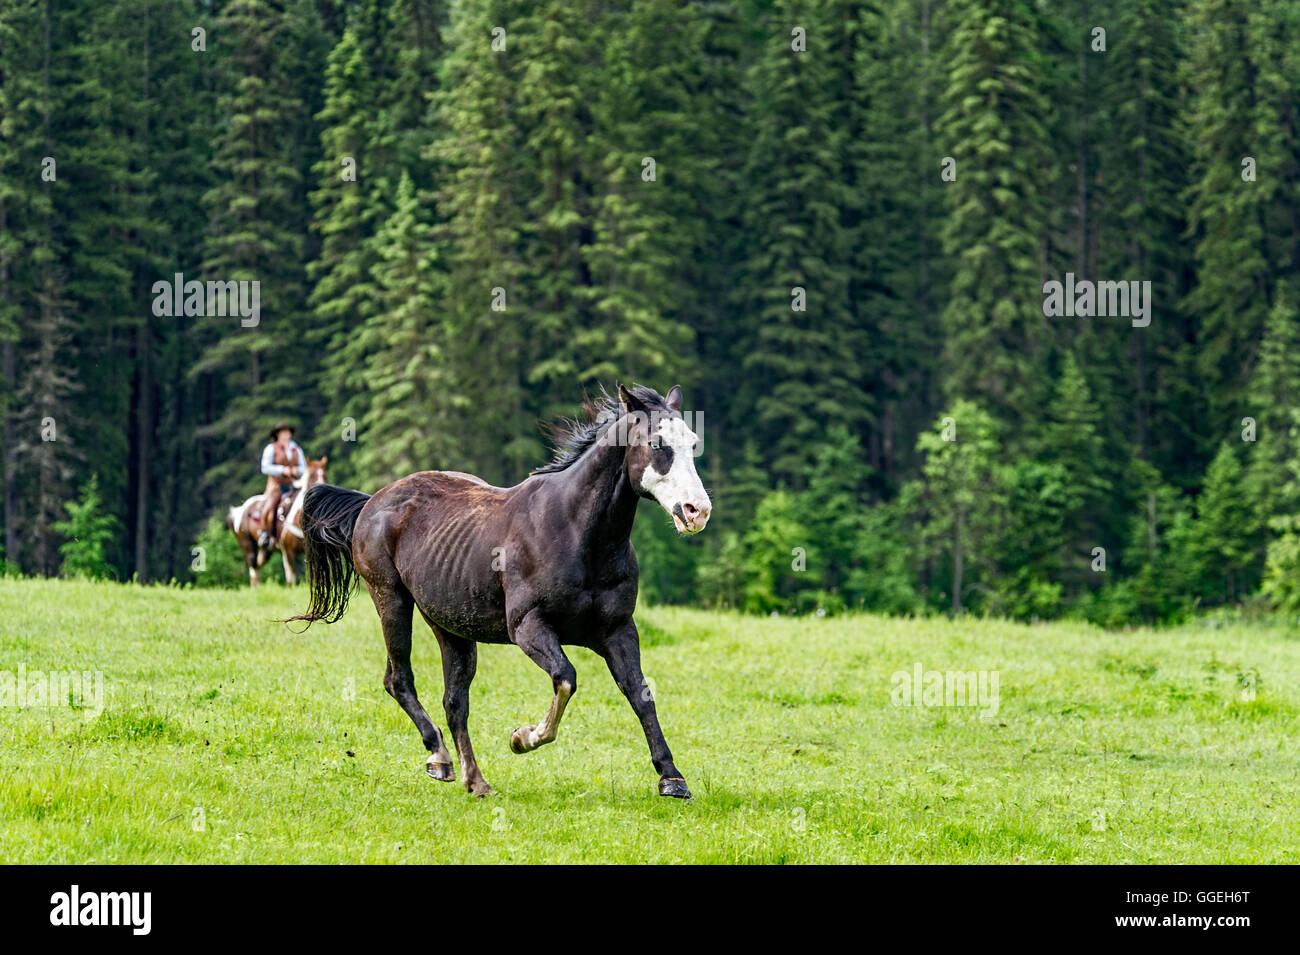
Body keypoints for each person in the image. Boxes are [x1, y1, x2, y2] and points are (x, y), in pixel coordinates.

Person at [258, 422, 307, 549]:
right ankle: (265, 533)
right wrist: (282, 470)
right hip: (276, 486)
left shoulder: (296, 449)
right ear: (278, 434)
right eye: (283, 432)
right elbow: (265, 467)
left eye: (288, 432)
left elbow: (303, 467)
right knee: (270, 507)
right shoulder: (270, 448)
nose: (286, 434)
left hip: (294, 485)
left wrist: (298, 471)